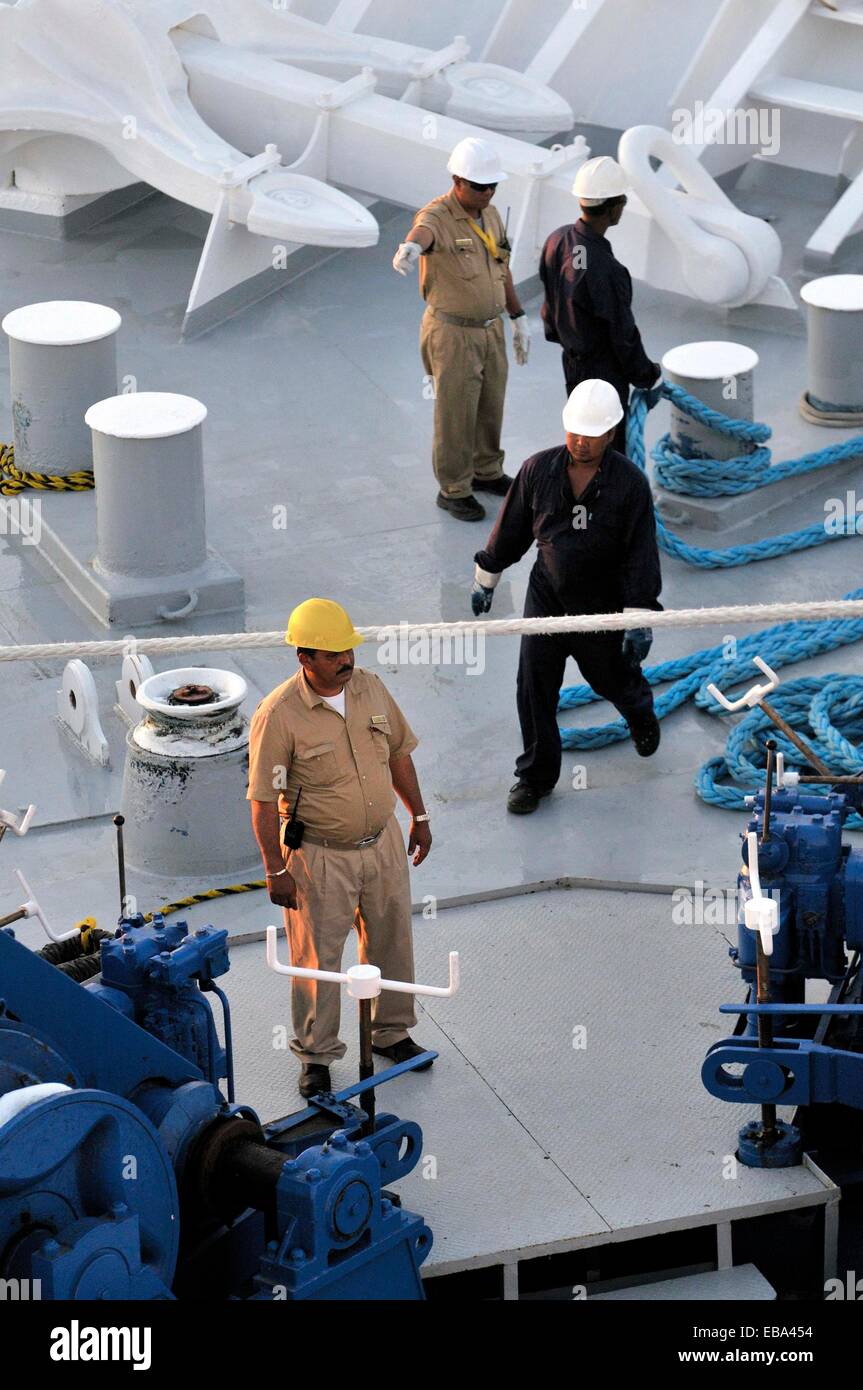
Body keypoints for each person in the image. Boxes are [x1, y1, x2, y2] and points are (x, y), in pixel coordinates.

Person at [247, 597, 433, 1098]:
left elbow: (398, 755)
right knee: (318, 959)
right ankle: (315, 1055)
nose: (346, 661)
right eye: (333, 655)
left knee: (393, 939)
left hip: (383, 843)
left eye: (348, 650)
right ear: (304, 658)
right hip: (319, 856)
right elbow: (263, 800)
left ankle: (392, 1032)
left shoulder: (370, 688)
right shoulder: (279, 715)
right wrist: (274, 870)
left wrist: (418, 816)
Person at [471, 379, 662, 815]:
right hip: (548, 600)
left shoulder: (630, 486)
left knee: (612, 677)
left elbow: (640, 555)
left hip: (602, 605)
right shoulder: (538, 470)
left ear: (611, 434)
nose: (580, 441)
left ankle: (639, 712)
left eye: (591, 434)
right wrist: (487, 577)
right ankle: (534, 778)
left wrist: (638, 616)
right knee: (532, 687)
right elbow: (512, 528)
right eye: (574, 432)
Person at [392, 136, 530, 523]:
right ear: (457, 180)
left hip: (491, 329)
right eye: (479, 185)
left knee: (490, 405)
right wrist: (411, 248)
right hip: (453, 333)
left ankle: (486, 471)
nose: (487, 192)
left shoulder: (490, 215)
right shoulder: (437, 216)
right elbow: (423, 232)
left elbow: (501, 266)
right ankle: (453, 488)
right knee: (456, 412)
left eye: (492, 186)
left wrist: (517, 317)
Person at [540, 155, 660, 453]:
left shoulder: (557, 240)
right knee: (607, 448)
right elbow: (623, 335)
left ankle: (581, 495)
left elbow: (550, 304)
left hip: (573, 363)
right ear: (614, 206)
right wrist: (647, 375)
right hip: (603, 373)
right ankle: (604, 498)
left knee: (582, 439)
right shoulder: (606, 269)